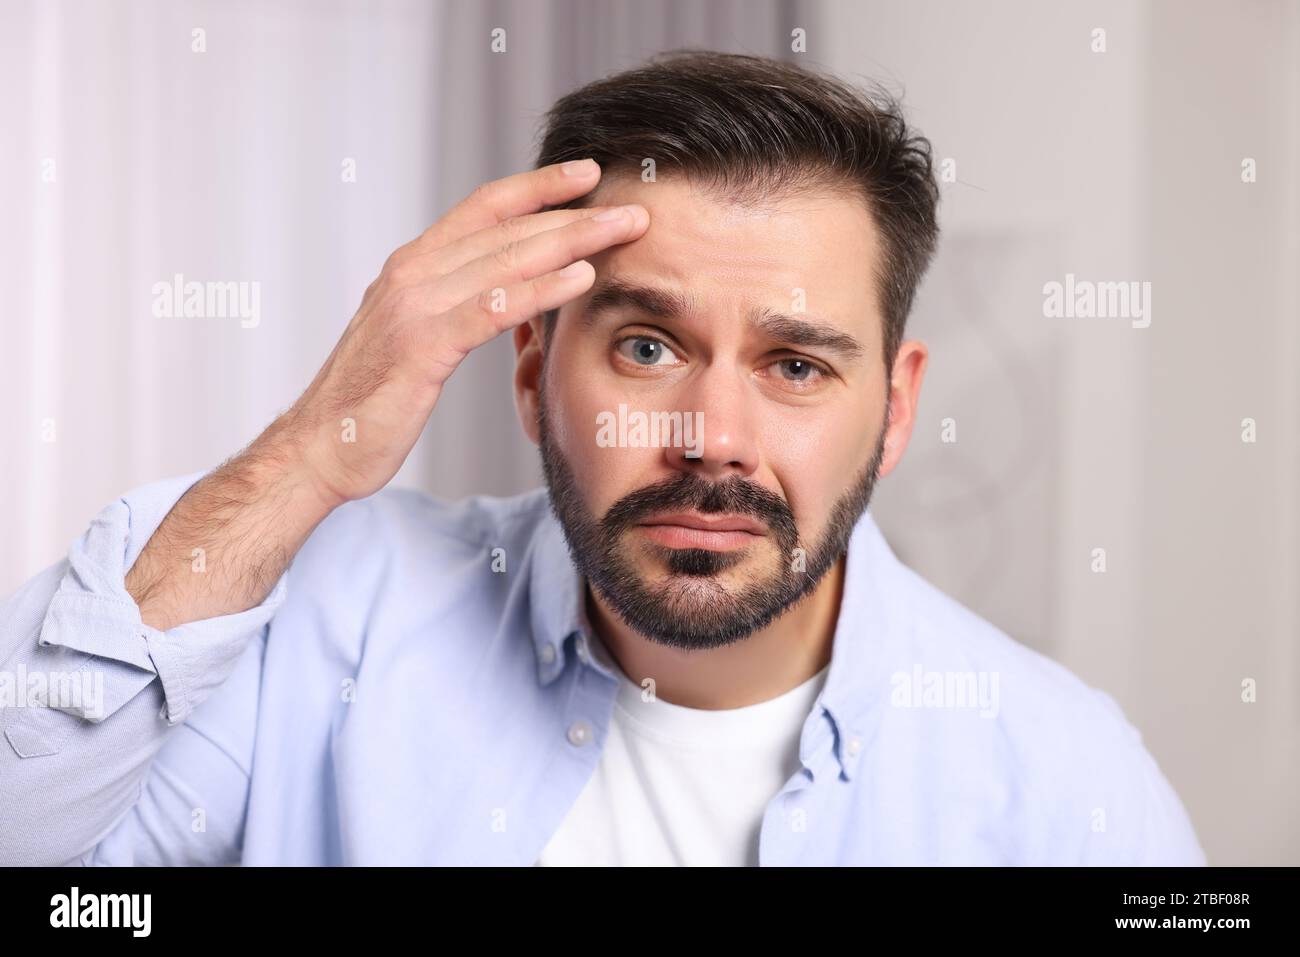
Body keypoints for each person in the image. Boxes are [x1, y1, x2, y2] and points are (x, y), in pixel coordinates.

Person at [0, 51, 1204, 866]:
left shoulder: (1059, 782)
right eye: (644, 345)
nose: (710, 440)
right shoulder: (315, 627)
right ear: (530, 369)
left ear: (892, 410)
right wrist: (313, 451)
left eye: (794, 366)